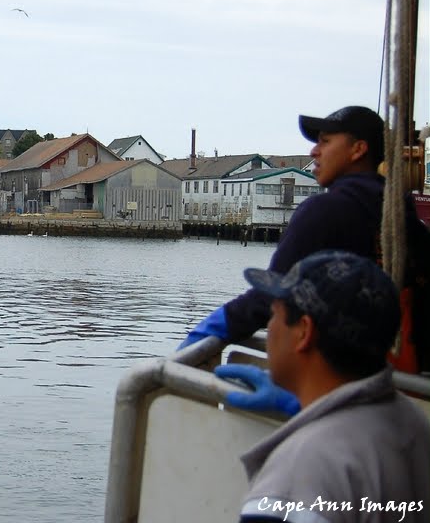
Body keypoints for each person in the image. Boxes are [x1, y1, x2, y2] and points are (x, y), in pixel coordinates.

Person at [180, 106, 428, 356]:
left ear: (358, 149)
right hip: (396, 369)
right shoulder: (403, 215)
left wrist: (211, 329)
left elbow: (273, 294)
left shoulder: (325, 211)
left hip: (337, 373)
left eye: (325, 141)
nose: (314, 151)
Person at [221, 250, 430, 523]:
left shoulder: (297, 475)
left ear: (304, 333)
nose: (269, 329)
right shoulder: (414, 424)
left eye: (274, 315)